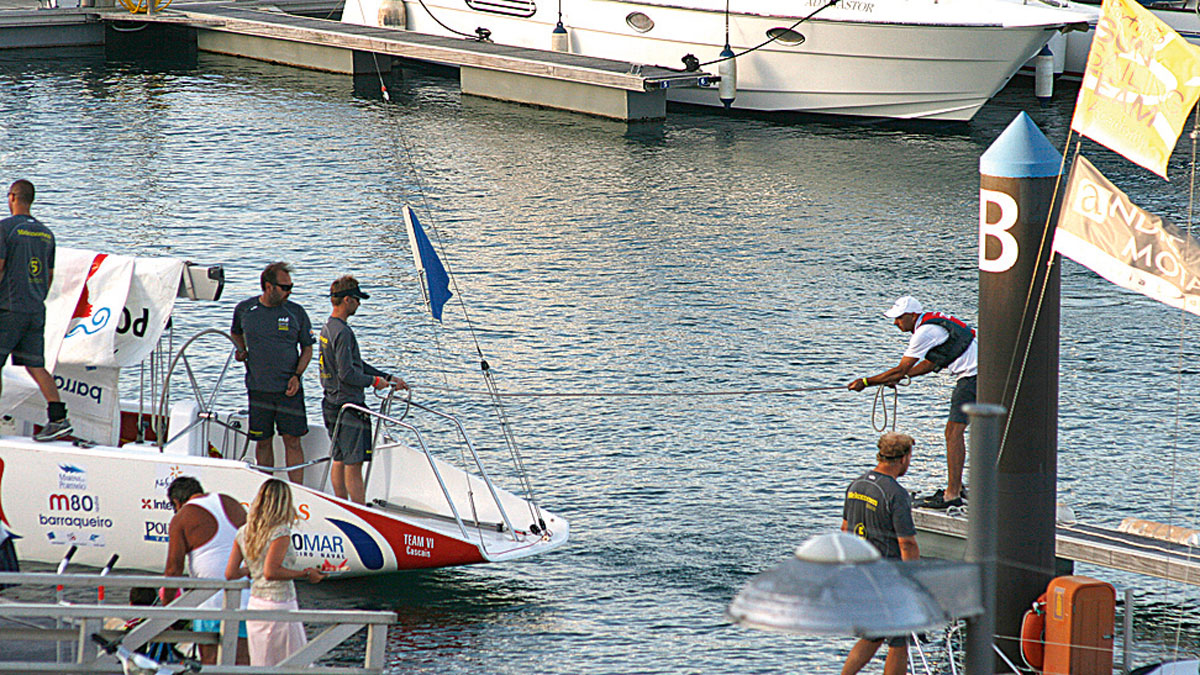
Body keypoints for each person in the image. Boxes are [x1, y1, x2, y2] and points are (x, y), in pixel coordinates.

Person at [847, 296, 977, 509]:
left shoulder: (924, 332)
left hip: (972, 377)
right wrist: (899, 378)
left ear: (911, 315)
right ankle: (956, 487)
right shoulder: (934, 324)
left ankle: (952, 494)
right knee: (956, 432)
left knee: (953, 433)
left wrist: (865, 382)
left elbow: (901, 368)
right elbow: (930, 363)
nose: (896, 323)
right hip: (981, 374)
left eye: (898, 319)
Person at [318, 276, 407, 504]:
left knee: (338, 456)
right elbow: (348, 374)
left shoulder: (328, 327)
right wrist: (374, 382)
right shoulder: (344, 333)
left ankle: (341, 503)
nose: (359, 304)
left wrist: (386, 377)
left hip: (331, 402)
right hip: (349, 405)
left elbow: (356, 364)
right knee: (353, 462)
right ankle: (359, 509)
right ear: (347, 300)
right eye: (357, 300)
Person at [841, 432, 920, 675]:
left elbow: (845, 530)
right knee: (898, 641)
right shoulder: (896, 494)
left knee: (873, 636)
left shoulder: (856, 485)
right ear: (904, 458)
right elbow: (906, 543)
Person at [225, 479, 325, 667]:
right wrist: (305, 574)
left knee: (261, 663)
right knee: (295, 664)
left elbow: (231, 573)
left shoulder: (244, 532)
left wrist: (254, 569)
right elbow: (271, 572)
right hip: (280, 603)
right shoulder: (280, 532)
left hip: (255, 604)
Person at [0, 179, 71, 442]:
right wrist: (36, 297)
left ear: (12, 197)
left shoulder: (5, 229)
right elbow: (49, 276)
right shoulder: (46, 234)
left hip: (8, 308)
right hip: (34, 309)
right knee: (35, 365)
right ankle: (59, 418)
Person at [231, 262, 314, 484]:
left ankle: (297, 491)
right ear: (269, 287)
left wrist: (297, 375)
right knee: (263, 441)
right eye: (285, 287)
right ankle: (266, 489)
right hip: (258, 389)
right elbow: (235, 333)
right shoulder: (245, 309)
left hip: (289, 389)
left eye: (291, 287)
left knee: (292, 441)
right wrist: (242, 351)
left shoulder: (296, 312)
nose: (290, 292)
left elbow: (307, 348)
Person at [163, 476, 250, 665]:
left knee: (210, 661)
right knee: (243, 660)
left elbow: (173, 569)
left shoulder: (182, 517)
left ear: (177, 502)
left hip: (209, 600)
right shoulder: (231, 502)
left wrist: (167, 607)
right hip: (246, 595)